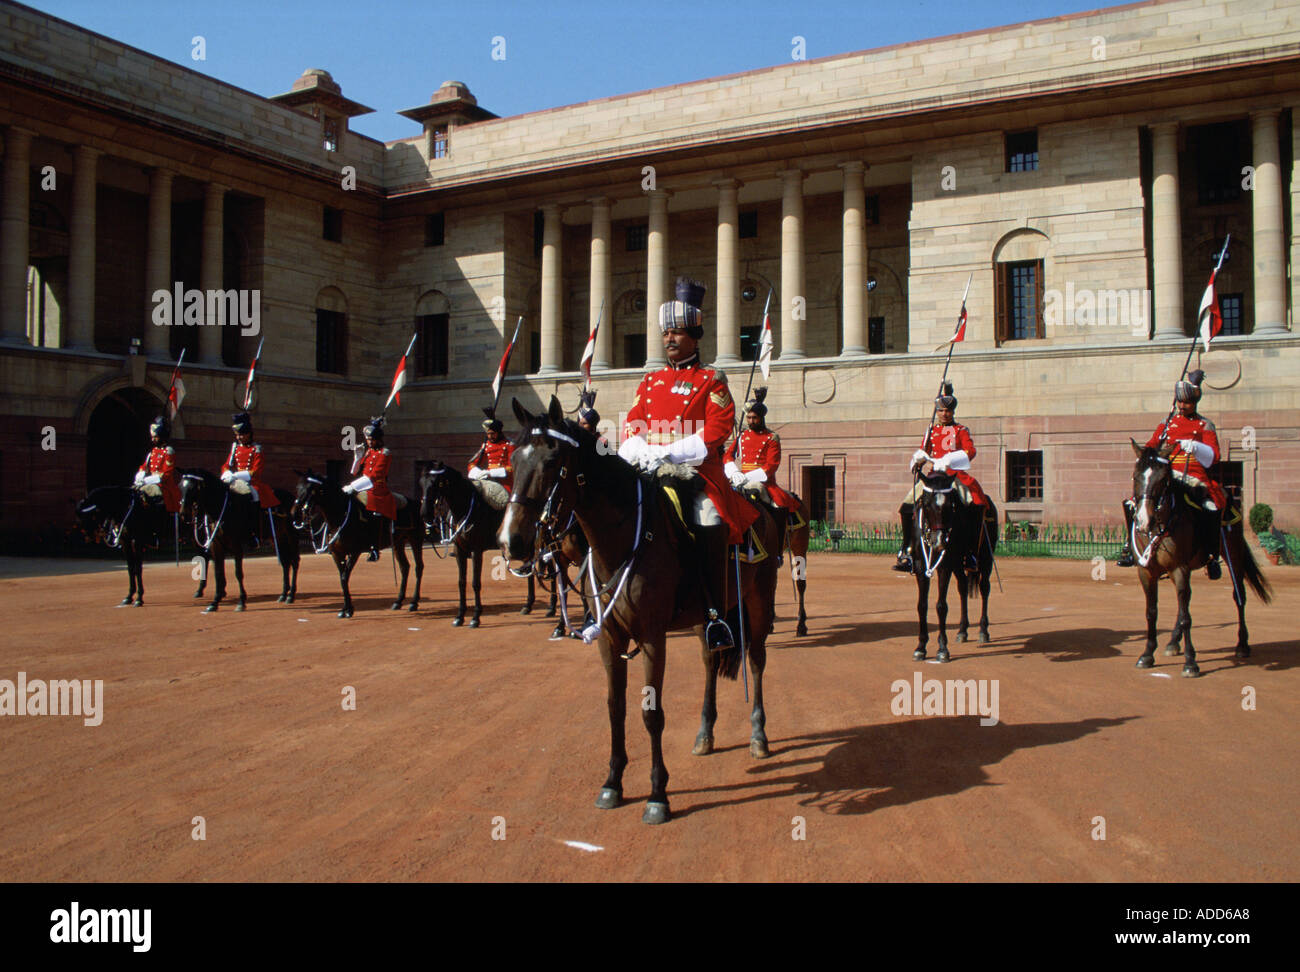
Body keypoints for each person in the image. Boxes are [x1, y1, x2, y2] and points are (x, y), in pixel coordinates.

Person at [619, 276, 759, 650]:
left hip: (696, 475)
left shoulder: (712, 379)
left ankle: (714, 615)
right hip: (649, 474)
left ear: (695, 335)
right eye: (666, 332)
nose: (670, 339)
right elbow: (633, 422)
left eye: (678, 333)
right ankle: (602, 601)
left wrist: (672, 452)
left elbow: (718, 428)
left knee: (711, 520)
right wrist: (637, 447)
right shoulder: (650, 381)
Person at [1117, 369, 1224, 577]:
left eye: (1187, 403)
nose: (1183, 406)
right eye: (1180, 402)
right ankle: (1131, 547)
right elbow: (1151, 445)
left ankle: (1211, 554)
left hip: (1193, 476)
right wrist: (1145, 458)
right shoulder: (1167, 424)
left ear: (1195, 403)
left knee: (1210, 507)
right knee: (1133, 503)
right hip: (1168, 475)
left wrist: (1194, 446)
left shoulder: (1204, 425)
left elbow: (1214, 457)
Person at [894, 382, 989, 574]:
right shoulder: (931, 430)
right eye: (941, 410)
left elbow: (970, 451)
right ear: (937, 412)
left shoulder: (961, 430)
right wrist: (918, 459)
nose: (945, 414)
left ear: (953, 412)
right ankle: (907, 551)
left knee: (972, 504)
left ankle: (970, 552)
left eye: (948, 411)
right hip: (933, 477)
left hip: (954, 476)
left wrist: (950, 459)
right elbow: (924, 450)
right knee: (906, 506)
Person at [724, 387, 803, 526]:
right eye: (749, 418)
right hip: (739, 479)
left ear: (761, 418)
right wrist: (734, 472)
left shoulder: (771, 437)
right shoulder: (742, 436)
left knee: (778, 506)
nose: (751, 421)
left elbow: (771, 465)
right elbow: (727, 456)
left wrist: (748, 477)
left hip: (764, 481)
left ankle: (780, 536)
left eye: (754, 418)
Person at [220, 411, 278, 547]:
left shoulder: (256, 449)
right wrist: (226, 472)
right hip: (235, 481)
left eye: (242, 434)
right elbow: (227, 465)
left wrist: (236, 475)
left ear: (249, 433)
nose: (239, 437)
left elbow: (256, 472)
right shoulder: (235, 448)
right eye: (237, 435)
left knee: (252, 496)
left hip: (252, 482)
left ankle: (254, 532)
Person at [343, 416, 396, 561]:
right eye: (368, 439)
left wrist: (352, 486)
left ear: (378, 439)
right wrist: (357, 458)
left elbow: (374, 476)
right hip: (364, 486)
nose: (369, 442)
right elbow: (355, 472)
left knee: (373, 513)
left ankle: (374, 547)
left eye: (371, 439)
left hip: (377, 489)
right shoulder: (368, 452)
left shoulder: (385, 453)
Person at [134, 415, 180, 545]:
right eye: (153, 436)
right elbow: (144, 467)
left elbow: (166, 474)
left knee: (155, 500)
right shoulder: (152, 452)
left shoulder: (169, 451)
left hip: (164, 486)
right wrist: (140, 475)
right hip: (151, 483)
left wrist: (147, 481)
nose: (153, 439)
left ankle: (156, 531)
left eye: (155, 436)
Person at [468, 411, 514, 507]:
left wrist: (491, 472)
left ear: (498, 432)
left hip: (505, 482)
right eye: (488, 434)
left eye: (492, 434)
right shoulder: (486, 446)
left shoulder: (509, 445)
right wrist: (477, 472)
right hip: (488, 480)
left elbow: (512, 468)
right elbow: (472, 463)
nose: (490, 437)